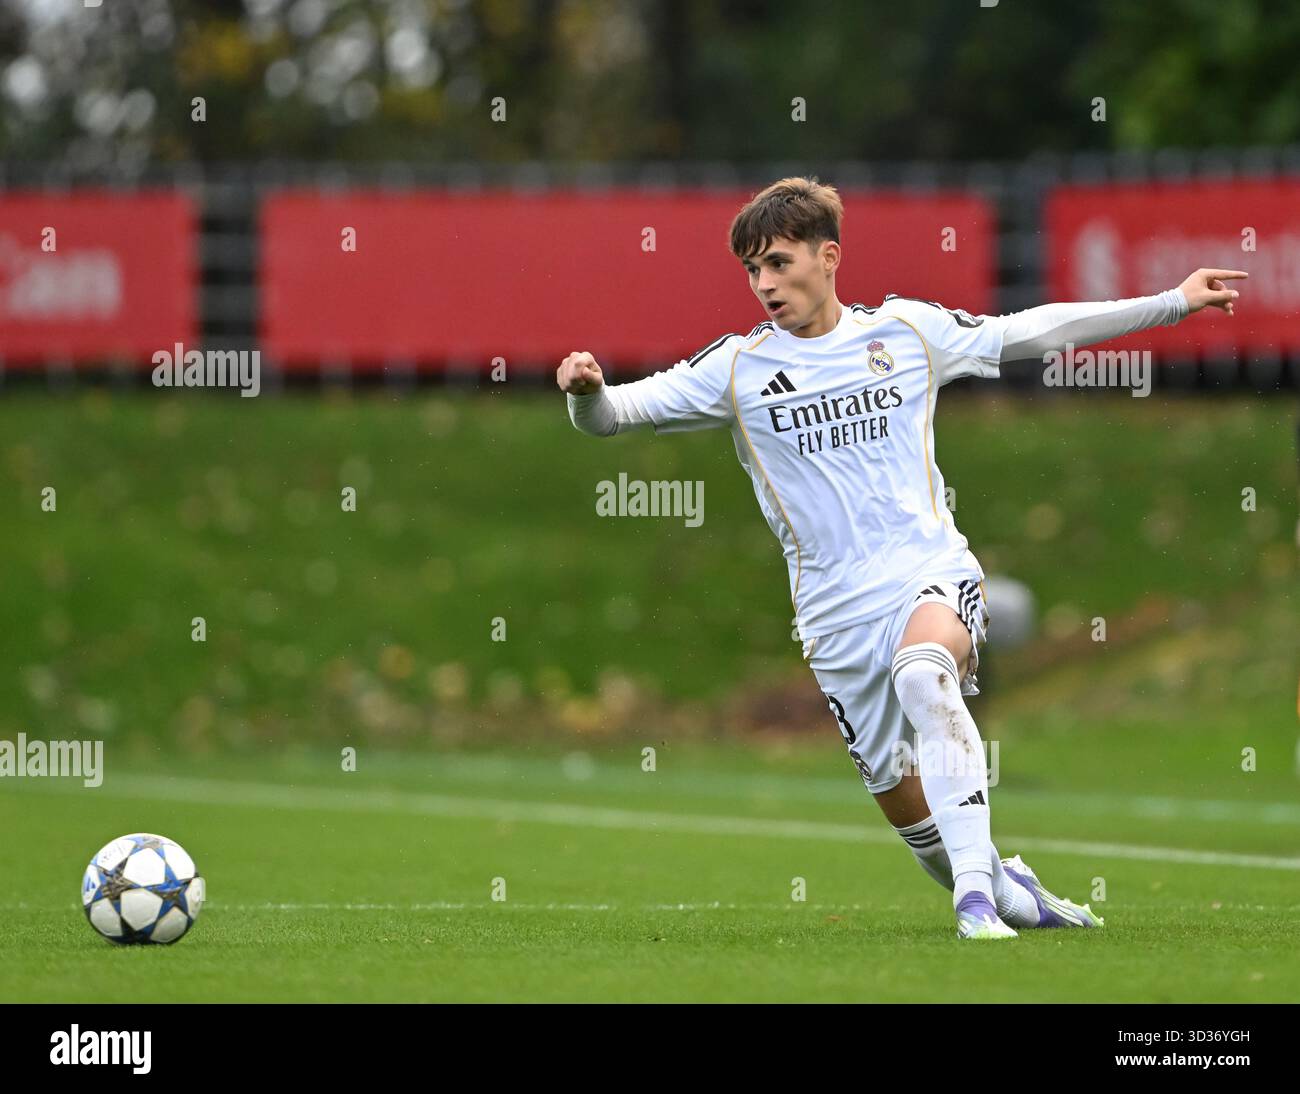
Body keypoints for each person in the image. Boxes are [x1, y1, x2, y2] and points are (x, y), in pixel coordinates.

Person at [557, 176, 1246, 939]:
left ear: (829, 256)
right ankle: (1007, 891)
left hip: (928, 568)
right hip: (833, 617)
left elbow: (1033, 332)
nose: (765, 284)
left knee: (926, 674)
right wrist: (586, 392)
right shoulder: (736, 371)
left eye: (780, 263)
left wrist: (1172, 301)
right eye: (752, 271)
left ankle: (976, 907)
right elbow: (613, 417)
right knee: (909, 810)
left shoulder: (906, 332)